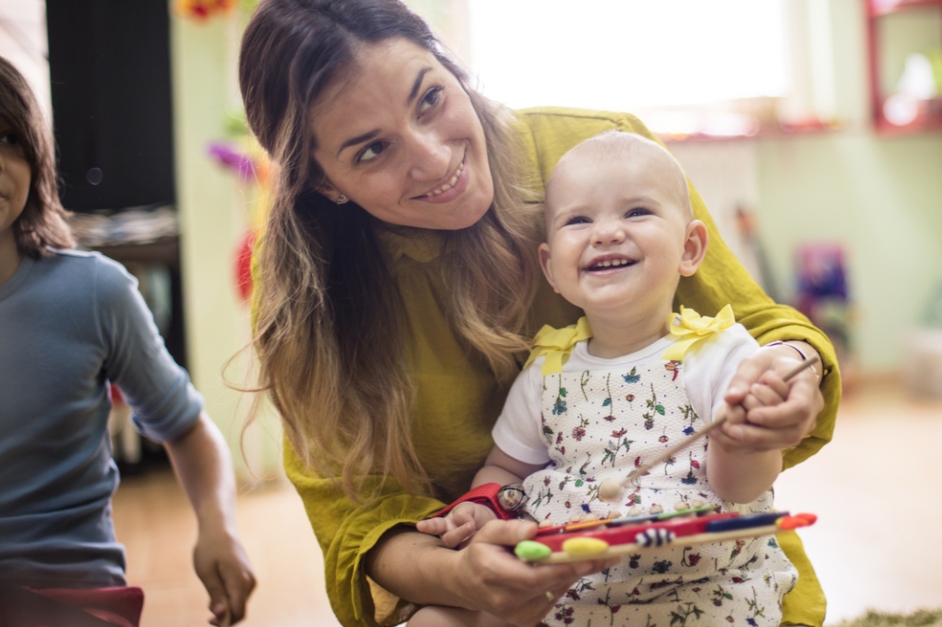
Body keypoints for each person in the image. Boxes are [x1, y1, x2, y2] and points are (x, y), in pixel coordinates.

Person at [238, 1, 841, 625]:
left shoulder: (600, 151)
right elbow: (357, 518)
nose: (434, 158)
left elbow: (765, 332)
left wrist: (785, 376)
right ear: (324, 182)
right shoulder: (307, 295)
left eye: (430, 100)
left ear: (452, 67)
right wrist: (462, 568)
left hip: (707, 578)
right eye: (370, 151)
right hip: (509, 591)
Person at [412, 131, 808, 626]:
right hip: (566, 594)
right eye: (579, 220)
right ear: (550, 267)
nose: (605, 233)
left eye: (636, 212)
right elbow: (506, 471)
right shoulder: (546, 370)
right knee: (433, 620)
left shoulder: (720, 353)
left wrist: (740, 440)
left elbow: (742, 487)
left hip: (701, 594)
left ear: (689, 248)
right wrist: (485, 508)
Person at [0, 55, 256, 626]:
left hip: (69, 603)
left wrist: (218, 528)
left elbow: (186, 428)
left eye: (8, 138)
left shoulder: (93, 291)